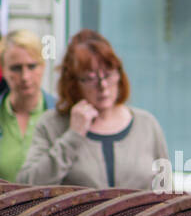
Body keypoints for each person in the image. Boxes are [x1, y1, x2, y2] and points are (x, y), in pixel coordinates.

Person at [16, 30, 167, 189]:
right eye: (90, 78)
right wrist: (73, 136)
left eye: (108, 75)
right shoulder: (52, 124)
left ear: (120, 75)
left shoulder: (146, 124)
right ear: (73, 84)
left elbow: (166, 193)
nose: (103, 86)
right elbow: (26, 184)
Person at [0, 30, 56, 181]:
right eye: (16, 68)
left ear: (43, 66)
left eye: (31, 66)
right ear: (3, 70)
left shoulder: (61, 115)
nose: (25, 77)